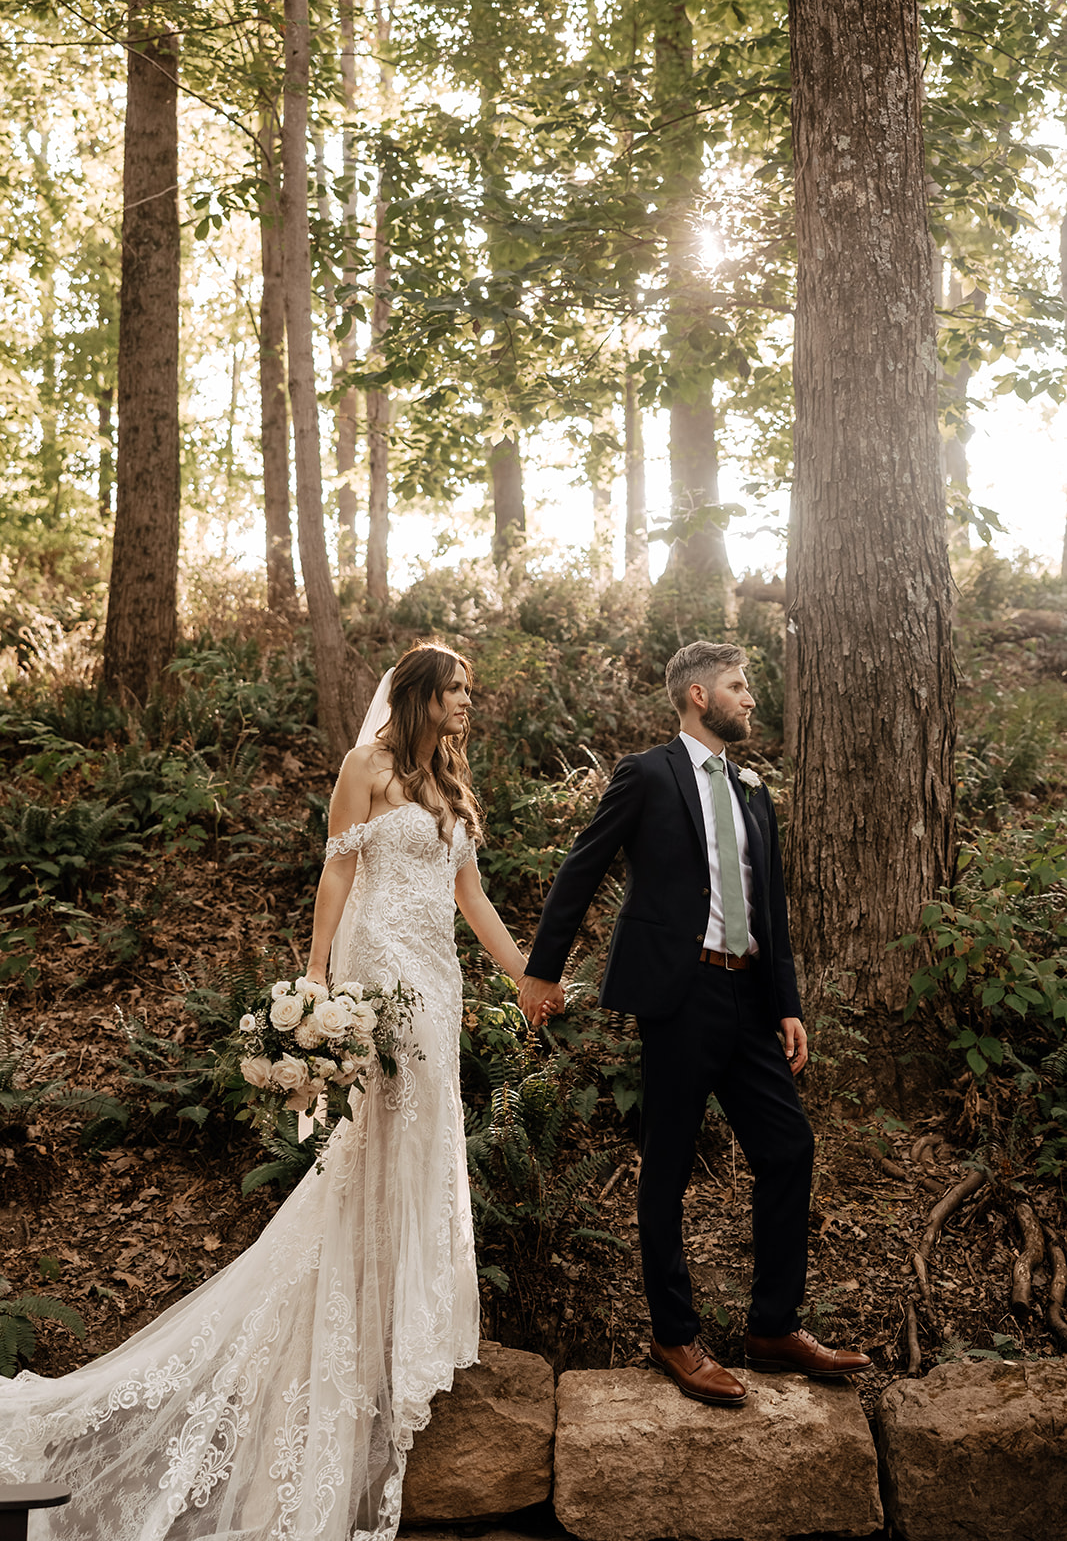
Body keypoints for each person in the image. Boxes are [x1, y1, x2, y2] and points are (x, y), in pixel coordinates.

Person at [0, 642, 538, 1540]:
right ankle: (367, 1307)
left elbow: (471, 897)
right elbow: (335, 869)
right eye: (454, 693)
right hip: (376, 968)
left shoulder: (451, 782)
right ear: (415, 695)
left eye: (469, 694)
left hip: (437, 980)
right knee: (381, 1131)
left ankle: (408, 1310)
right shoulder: (364, 768)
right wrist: (318, 979)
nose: (466, 706)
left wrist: (528, 977)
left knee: (427, 1132)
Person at [520, 641, 871, 1407]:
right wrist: (541, 971)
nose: (751, 699)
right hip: (679, 999)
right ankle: (673, 1335)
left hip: (750, 999)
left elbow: (768, 903)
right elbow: (584, 865)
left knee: (788, 1148)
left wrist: (787, 1003)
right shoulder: (647, 774)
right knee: (669, 1167)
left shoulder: (751, 788)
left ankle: (773, 1327)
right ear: (698, 697)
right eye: (739, 687)